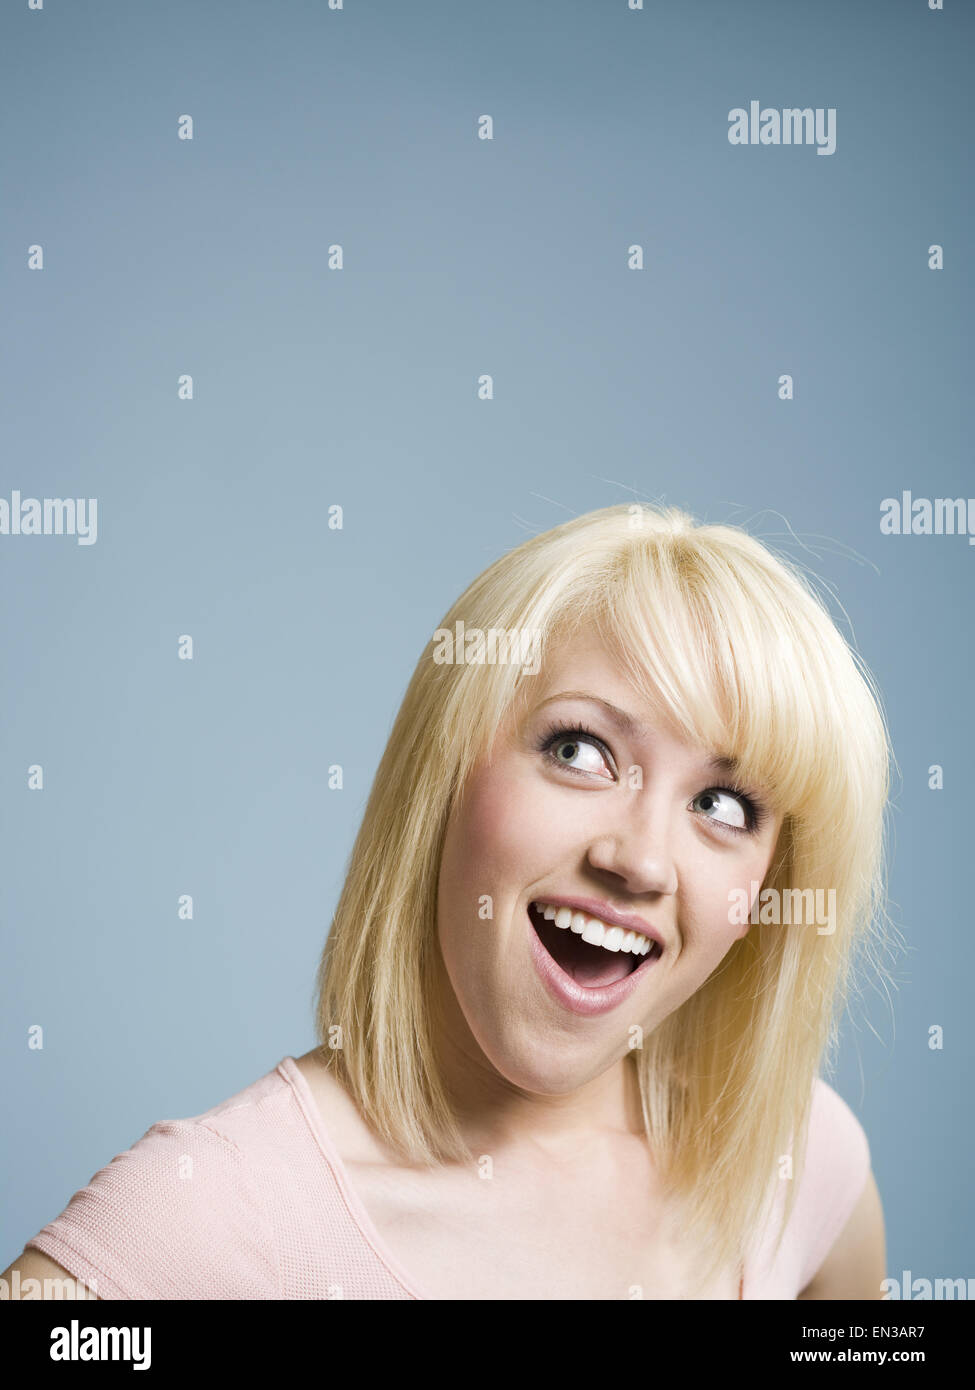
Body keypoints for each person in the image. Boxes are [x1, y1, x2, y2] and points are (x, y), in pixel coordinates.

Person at [3, 503, 890, 1299]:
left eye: (722, 807)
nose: (641, 860)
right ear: (445, 770)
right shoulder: (202, 1222)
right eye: (579, 751)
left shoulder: (802, 1164)